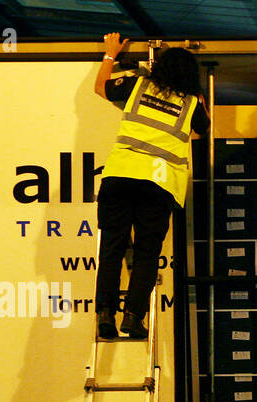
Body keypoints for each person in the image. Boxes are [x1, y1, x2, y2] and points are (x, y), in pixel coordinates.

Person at [92, 32, 208, 341]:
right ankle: (133, 318)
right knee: (146, 253)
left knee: (112, 248)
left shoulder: (137, 86)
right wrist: (199, 96)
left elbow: (100, 87)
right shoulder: (191, 102)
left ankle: (105, 313)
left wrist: (110, 55)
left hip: (119, 176)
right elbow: (204, 128)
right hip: (157, 184)